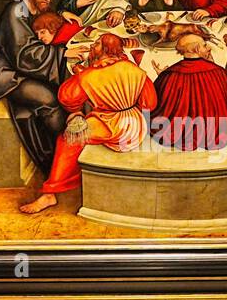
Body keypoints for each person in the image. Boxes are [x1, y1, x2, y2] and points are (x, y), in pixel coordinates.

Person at [19, 33, 157, 214]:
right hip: (135, 126)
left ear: (106, 50)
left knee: (67, 139)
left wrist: (79, 98)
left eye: (97, 44)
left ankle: (50, 194)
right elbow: (149, 103)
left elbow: (67, 97)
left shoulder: (89, 75)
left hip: (112, 127)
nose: (92, 46)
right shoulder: (134, 69)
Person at [0, 0, 68, 177]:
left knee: (59, 94)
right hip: (5, 75)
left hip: (22, 71)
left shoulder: (35, 12)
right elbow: (24, 55)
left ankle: (60, 159)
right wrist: (61, 54)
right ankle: (57, 159)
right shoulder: (16, 10)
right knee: (49, 99)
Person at [151, 33, 227, 152]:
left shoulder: (170, 74)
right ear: (197, 49)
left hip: (177, 129)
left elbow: (159, 98)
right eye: (204, 45)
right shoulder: (218, 71)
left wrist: (162, 76)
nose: (208, 48)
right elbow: (226, 97)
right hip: (212, 131)